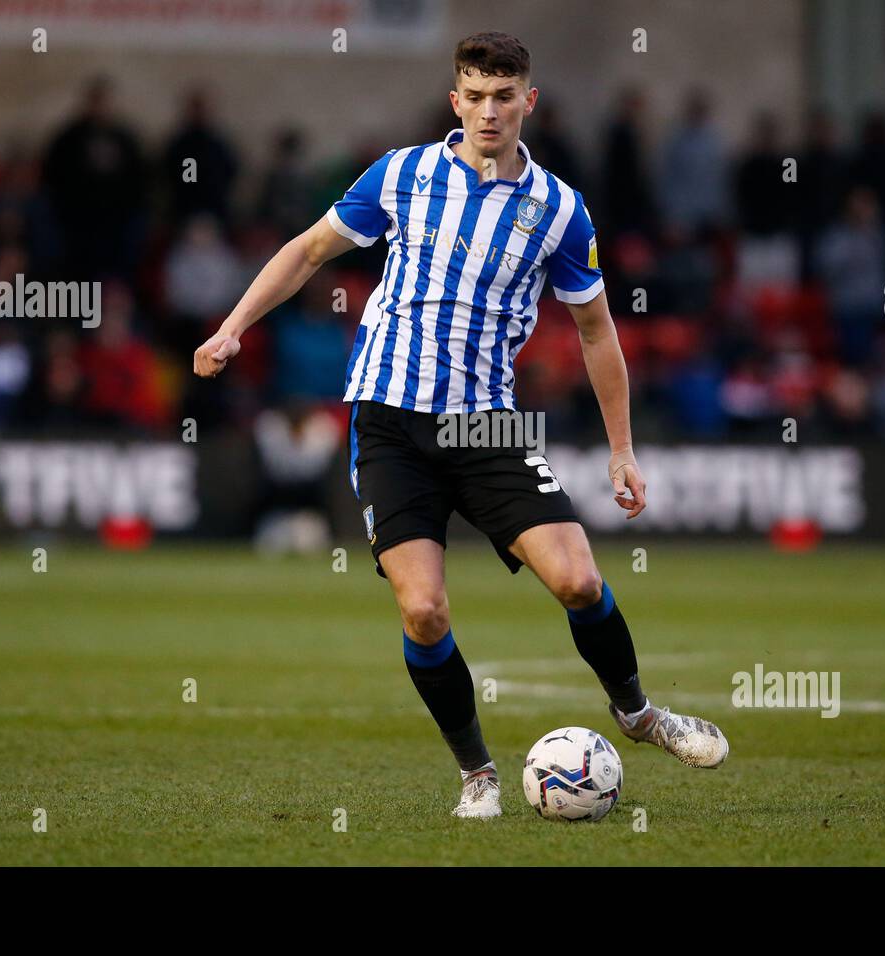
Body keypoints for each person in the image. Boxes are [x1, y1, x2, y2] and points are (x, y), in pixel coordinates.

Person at [193, 31, 728, 818]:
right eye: (474, 96)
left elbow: (596, 331)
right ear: (456, 101)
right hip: (389, 422)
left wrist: (622, 450)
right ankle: (478, 774)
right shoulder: (403, 175)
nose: (488, 111)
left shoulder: (558, 210)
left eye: (503, 97)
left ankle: (639, 714)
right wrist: (231, 326)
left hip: (486, 427)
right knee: (424, 609)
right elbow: (308, 252)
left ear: (527, 103)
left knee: (579, 580)